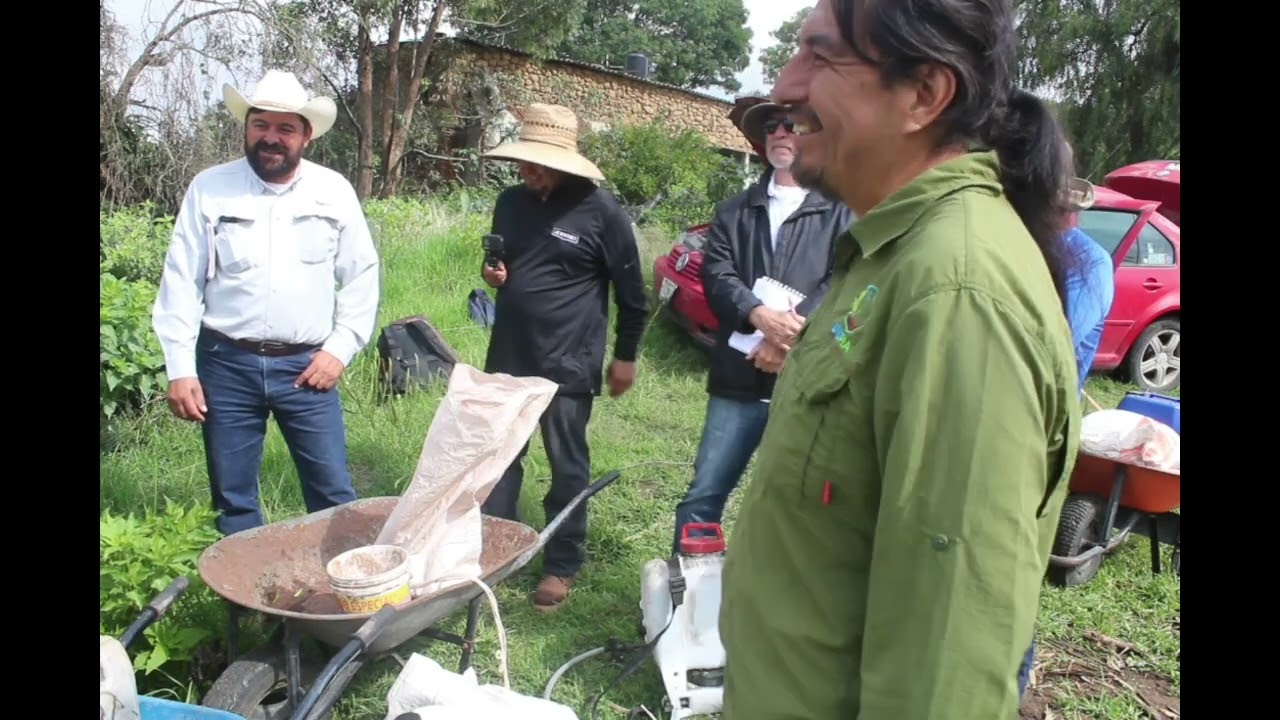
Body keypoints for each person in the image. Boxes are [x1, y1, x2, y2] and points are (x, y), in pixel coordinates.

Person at [716, 0, 1086, 717]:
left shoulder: (957, 291)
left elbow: (943, 670)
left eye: (820, 57)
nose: (784, 88)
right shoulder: (895, 256)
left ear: (924, 93)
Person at [151, 70, 381, 536]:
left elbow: (361, 275)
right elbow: (181, 279)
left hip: (308, 369)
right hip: (225, 365)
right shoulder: (210, 188)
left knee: (332, 492)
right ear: (247, 127)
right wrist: (180, 367)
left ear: (306, 135)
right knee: (232, 500)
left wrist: (339, 350)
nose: (271, 138)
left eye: (285, 128)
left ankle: (346, 602)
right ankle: (252, 606)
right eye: (261, 125)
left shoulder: (332, 191)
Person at [478, 103, 650, 612]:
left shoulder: (603, 214)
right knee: (501, 462)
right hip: (508, 353)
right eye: (522, 161)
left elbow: (633, 296)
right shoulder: (510, 202)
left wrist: (625, 357)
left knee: (566, 465)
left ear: (564, 162)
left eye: (534, 163)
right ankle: (497, 553)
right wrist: (494, 274)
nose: (524, 171)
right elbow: (500, 260)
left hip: (570, 362)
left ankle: (561, 564)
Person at [671, 97, 854, 553]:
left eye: (793, 124)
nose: (780, 132)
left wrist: (791, 334)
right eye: (772, 125)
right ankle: (680, 611)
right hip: (737, 380)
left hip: (807, 382)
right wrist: (760, 317)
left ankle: (769, 614)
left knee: (793, 503)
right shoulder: (735, 210)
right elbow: (718, 274)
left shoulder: (841, 211)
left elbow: (845, 278)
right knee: (704, 495)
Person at [1017, 176, 1117, 699]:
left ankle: (1014, 672)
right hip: (1012, 409)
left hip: (1045, 417)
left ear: (1069, 211)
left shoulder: (1087, 263)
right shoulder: (1026, 249)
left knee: (1020, 548)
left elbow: (1059, 339)